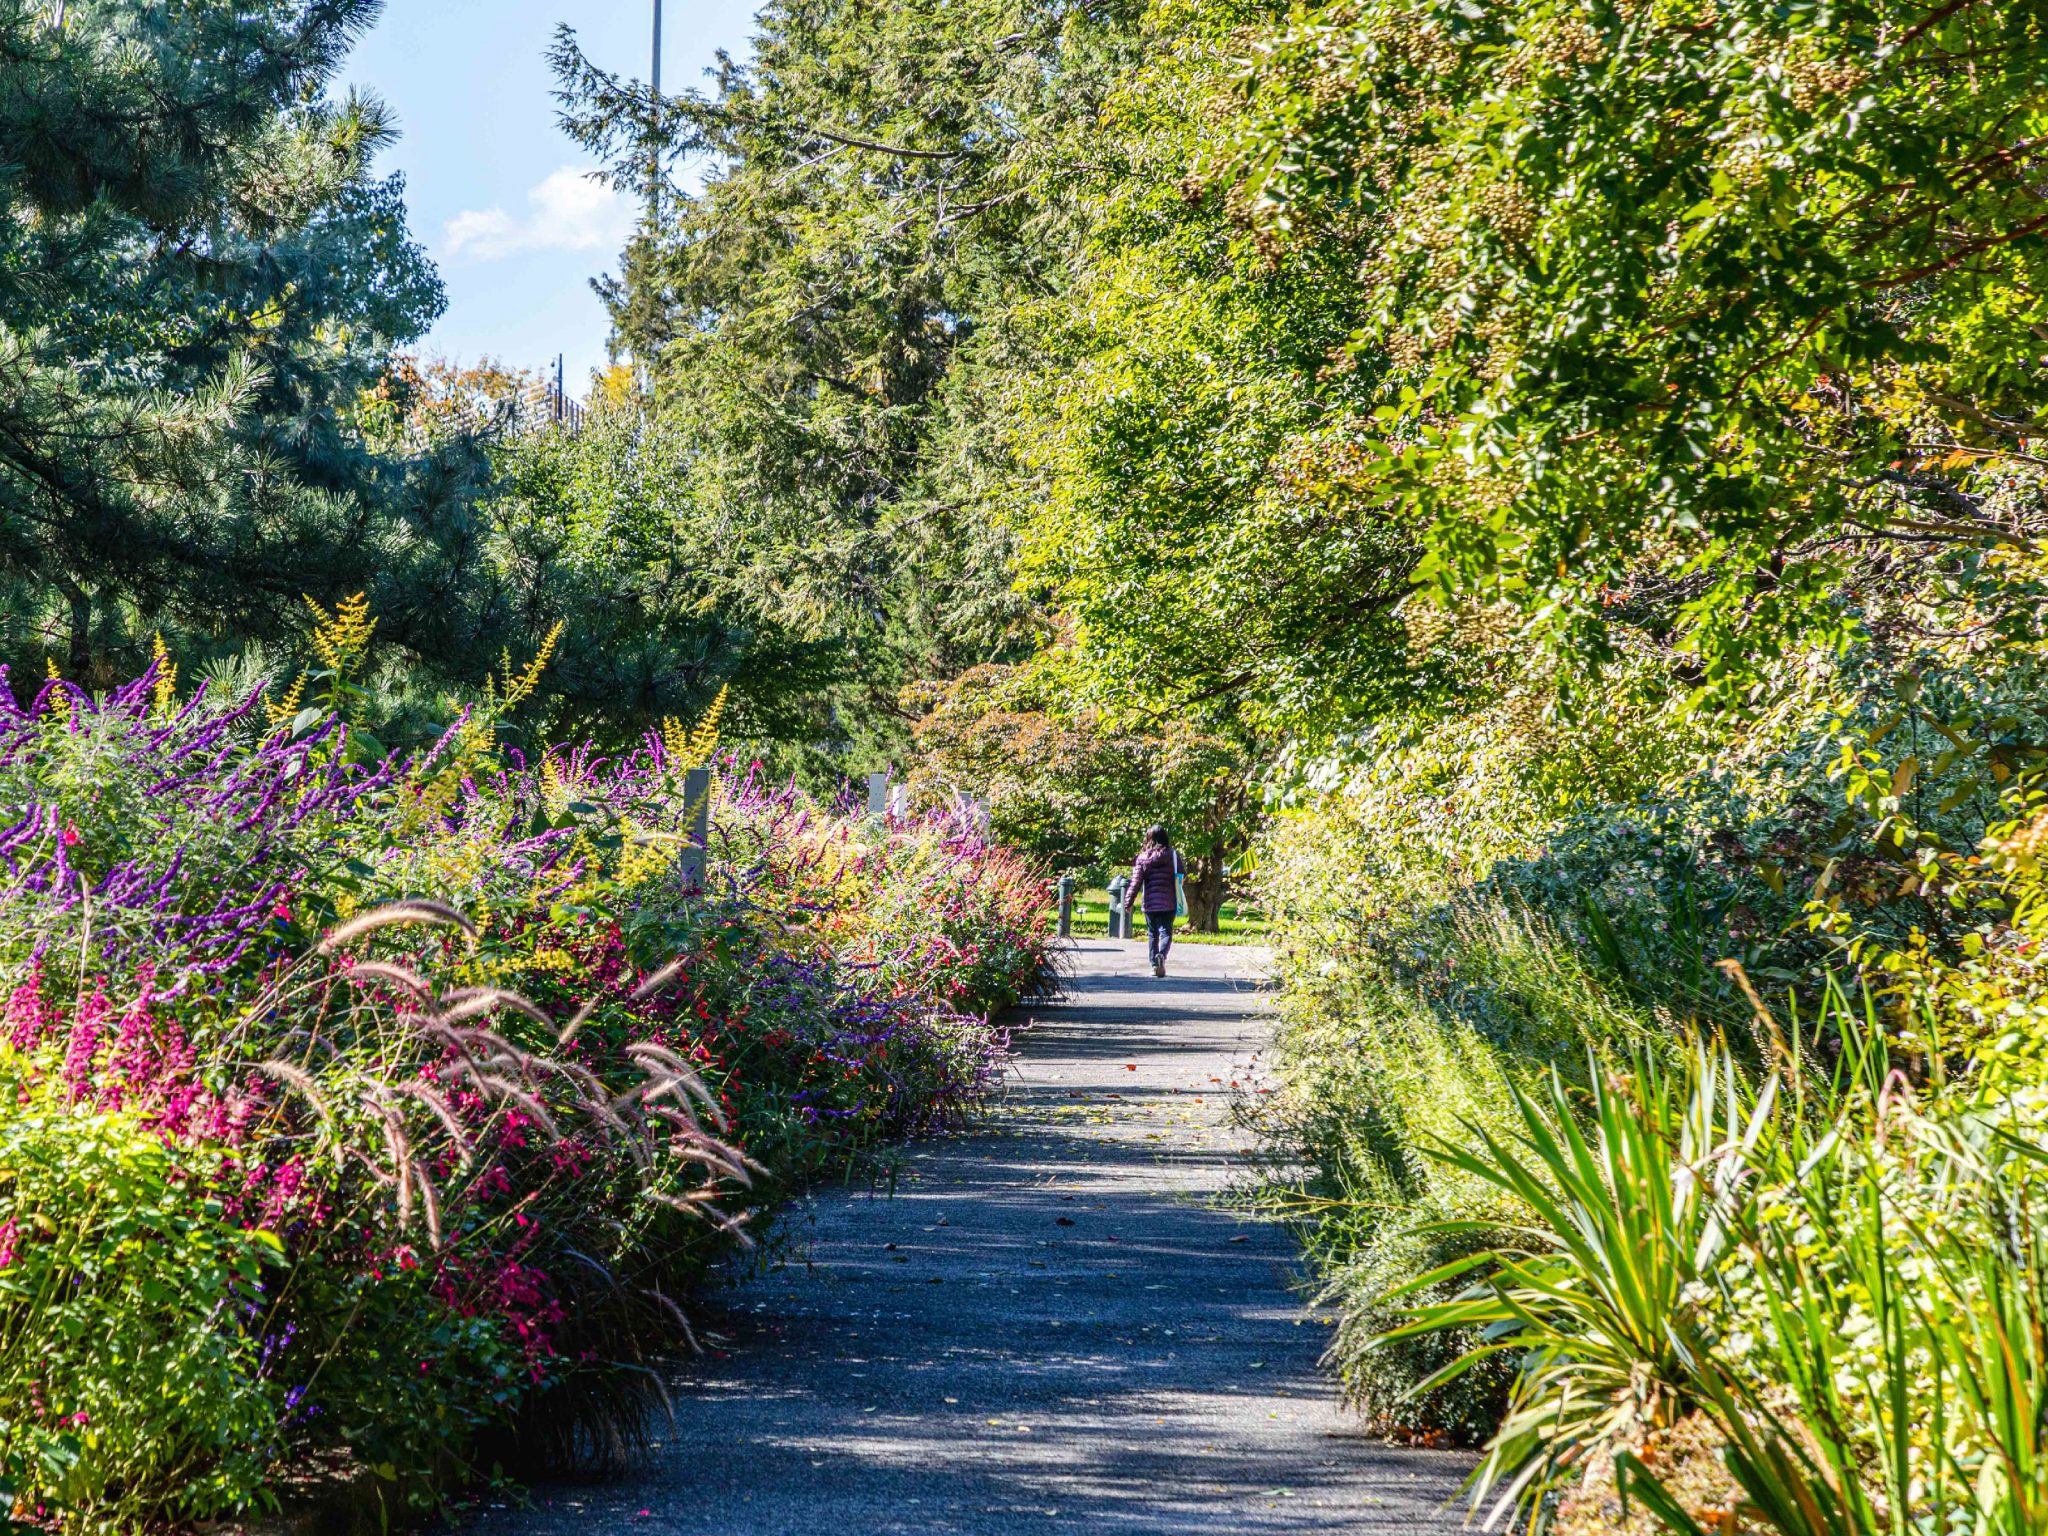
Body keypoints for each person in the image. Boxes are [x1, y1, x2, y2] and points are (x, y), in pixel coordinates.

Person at [1124, 825, 1182, 977]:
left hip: (1150, 903)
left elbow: (1135, 882)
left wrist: (1128, 902)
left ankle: (1154, 966)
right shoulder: (1173, 855)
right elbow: (1181, 875)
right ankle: (1162, 954)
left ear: (1148, 838)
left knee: (1152, 934)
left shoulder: (1142, 858)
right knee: (1166, 932)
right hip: (1169, 901)